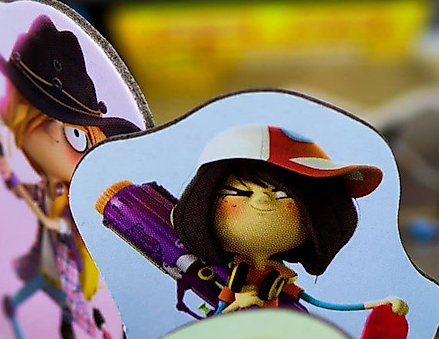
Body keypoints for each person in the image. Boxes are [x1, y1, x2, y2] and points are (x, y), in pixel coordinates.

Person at [0, 15, 139, 339]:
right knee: (14, 305)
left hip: (70, 277)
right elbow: (14, 185)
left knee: (69, 336)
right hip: (44, 265)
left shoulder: (78, 201)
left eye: (81, 139)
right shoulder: (49, 189)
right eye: (74, 137)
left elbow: (59, 224)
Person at [169, 124, 408, 317]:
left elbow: (322, 304)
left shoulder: (277, 277)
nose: (263, 201)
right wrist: (237, 303)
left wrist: (378, 305)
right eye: (241, 192)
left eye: (284, 195)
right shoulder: (227, 276)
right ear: (203, 198)